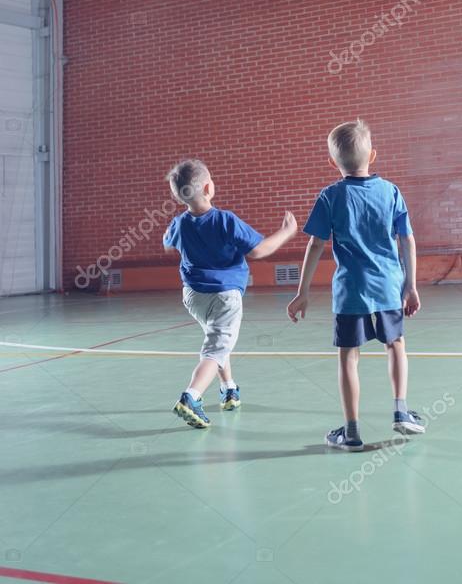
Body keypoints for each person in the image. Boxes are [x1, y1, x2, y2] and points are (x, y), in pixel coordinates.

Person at [287, 119, 425, 450]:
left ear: (333, 162)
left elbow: (316, 245)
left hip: (350, 292)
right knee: (397, 345)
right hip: (389, 287)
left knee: (349, 356)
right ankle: (401, 411)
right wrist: (411, 285)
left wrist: (302, 292)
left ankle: (351, 432)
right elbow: (407, 239)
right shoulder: (390, 191)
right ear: (372, 155)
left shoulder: (330, 196)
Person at [164, 157, 296, 427]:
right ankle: (191, 396)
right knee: (214, 350)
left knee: (217, 340)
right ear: (209, 188)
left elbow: (168, 245)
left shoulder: (179, 224)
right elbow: (258, 250)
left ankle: (229, 390)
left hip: (193, 296)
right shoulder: (225, 221)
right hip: (224, 296)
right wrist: (286, 232)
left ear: (178, 196)